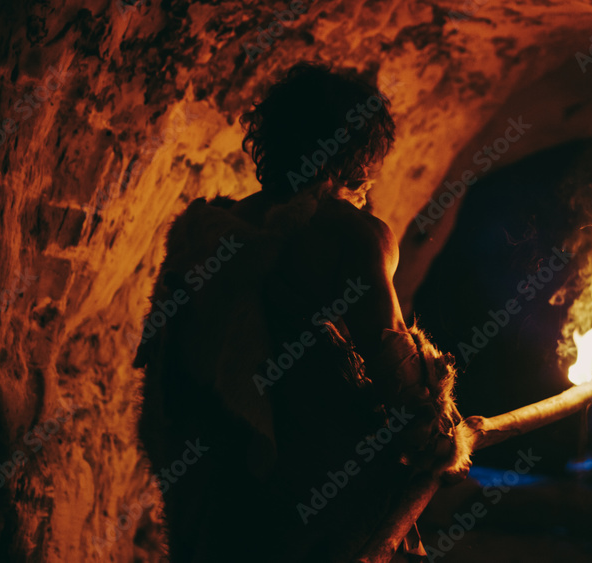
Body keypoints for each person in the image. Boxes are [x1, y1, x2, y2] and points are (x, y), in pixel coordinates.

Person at [134, 62, 470, 562]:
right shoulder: (353, 234)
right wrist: (441, 433)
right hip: (303, 493)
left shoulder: (208, 230)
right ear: (362, 155)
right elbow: (392, 356)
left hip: (208, 487)